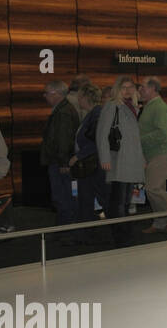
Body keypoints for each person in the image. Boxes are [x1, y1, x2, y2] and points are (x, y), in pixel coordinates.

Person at [97, 76, 145, 245]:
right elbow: (102, 134)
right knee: (119, 201)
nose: (127, 90)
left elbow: (135, 138)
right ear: (117, 89)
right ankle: (121, 236)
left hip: (130, 160)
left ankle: (125, 234)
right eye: (123, 87)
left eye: (130, 87)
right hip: (119, 160)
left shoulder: (132, 107)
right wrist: (105, 158)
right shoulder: (112, 106)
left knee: (125, 201)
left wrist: (141, 159)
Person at [138, 77, 167, 234]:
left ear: (153, 88)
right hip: (153, 153)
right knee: (156, 188)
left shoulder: (159, 107)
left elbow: (162, 133)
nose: (140, 89)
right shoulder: (151, 106)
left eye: (142, 87)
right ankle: (161, 221)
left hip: (160, 152)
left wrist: (139, 140)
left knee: (153, 189)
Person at [68, 83, 108, 237]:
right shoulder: (92, 114)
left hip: (94, 166)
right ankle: (86, 233)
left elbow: (97, 141)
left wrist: (78, 156)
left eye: (79, 97)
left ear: (85, 98)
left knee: (101, 198)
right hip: (91, 166)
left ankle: (117, 231)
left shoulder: (96, 114)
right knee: (87, 198)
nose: (78, 100)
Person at [40, 80, 79, 225]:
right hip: (61, 161)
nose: (44, 96)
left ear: (55, 94)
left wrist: (64, 162)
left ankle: (67, 230)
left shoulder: (63, 112)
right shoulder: (64, 109)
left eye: (46, 93)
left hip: (60, 163)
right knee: (64, 197)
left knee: (63, 197)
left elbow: (64, 140)